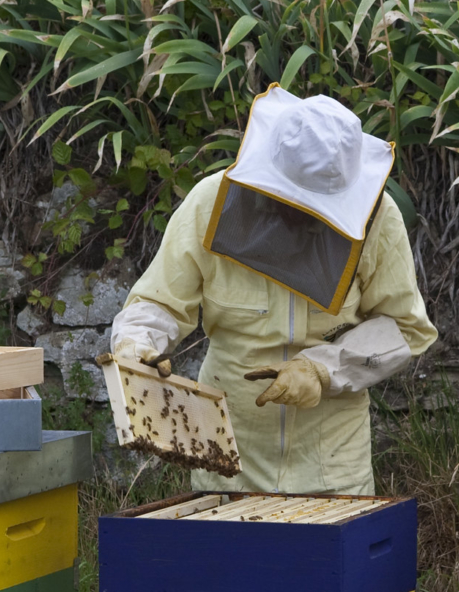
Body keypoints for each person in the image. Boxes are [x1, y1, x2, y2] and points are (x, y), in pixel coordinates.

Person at [110, 85, 437, 495]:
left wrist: (323, 368)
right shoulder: (211, 202)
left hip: (332, 462)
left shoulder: (380, 219)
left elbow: (405, 328)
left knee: (333, 561)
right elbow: (158, 301)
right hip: (227, 453)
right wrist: (136, 345)